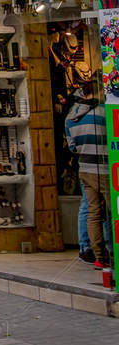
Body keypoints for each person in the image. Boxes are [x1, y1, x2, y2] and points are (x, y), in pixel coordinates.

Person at [66, 96, 113, 270]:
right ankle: (112, 251)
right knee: (111, 211)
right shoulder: (101, 112)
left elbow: (72, 147)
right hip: (104, 169)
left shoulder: (70, 118)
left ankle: (99, 256)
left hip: (85, 169)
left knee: (93, 211)